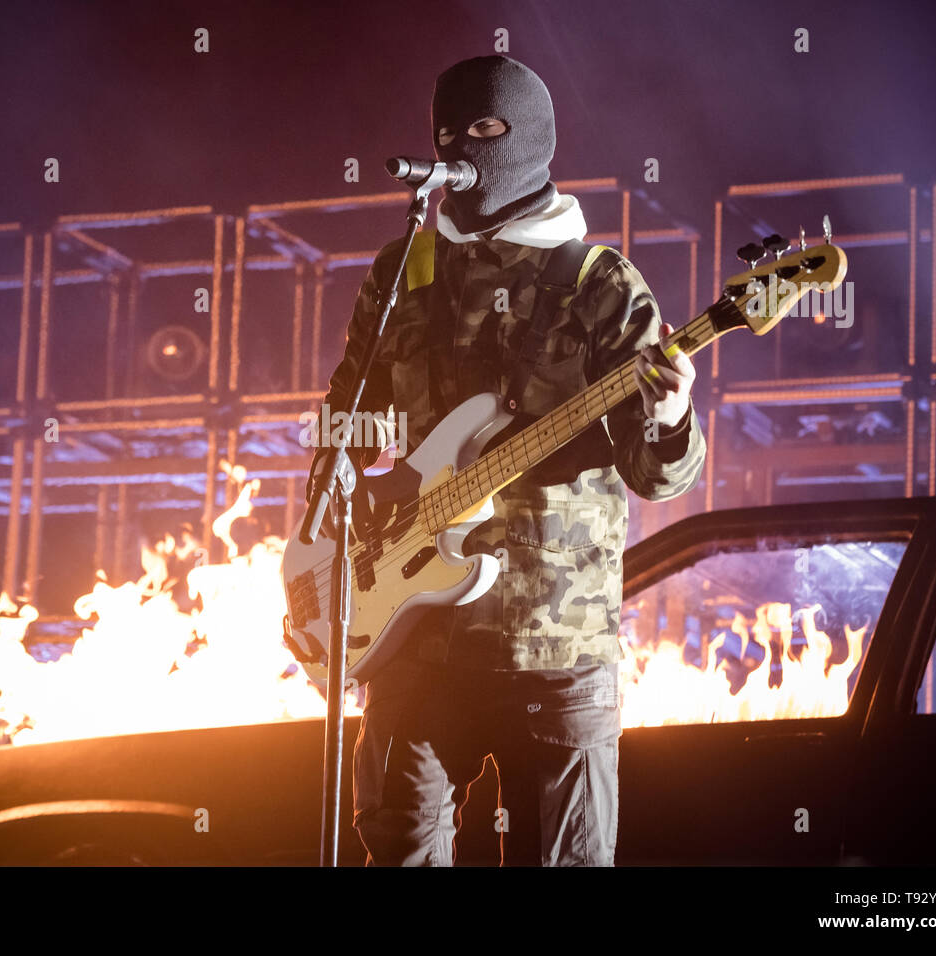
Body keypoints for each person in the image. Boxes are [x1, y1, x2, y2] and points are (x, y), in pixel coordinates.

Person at [306, 54, 706, 866]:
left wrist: (668, 413)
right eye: (447, 133)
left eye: (485, 129)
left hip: (552, 649)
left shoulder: (600, 286)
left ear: (530, 139)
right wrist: (328, 559)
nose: (462, 146)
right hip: (413, 639)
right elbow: (340, 423)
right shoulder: (401, 273)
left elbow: (657, 473)